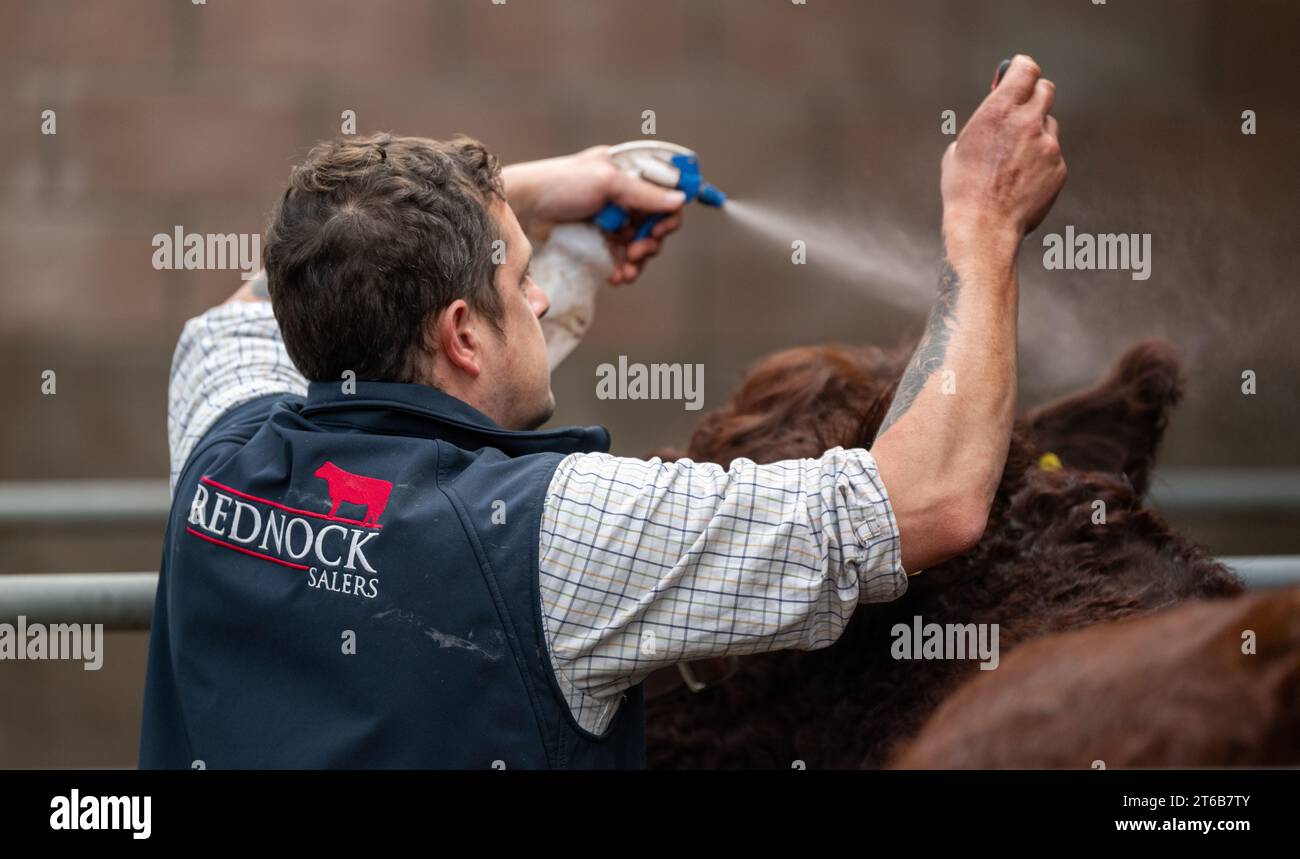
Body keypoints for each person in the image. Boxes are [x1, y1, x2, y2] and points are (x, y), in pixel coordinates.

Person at [140, 55, 1065, 768]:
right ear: (463, 334)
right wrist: (981, 232)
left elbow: (266, 294)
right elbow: (927, 499)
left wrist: (539, 194)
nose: (542, 301)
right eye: (523, 278)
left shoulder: (221, 444)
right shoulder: (558, 531)